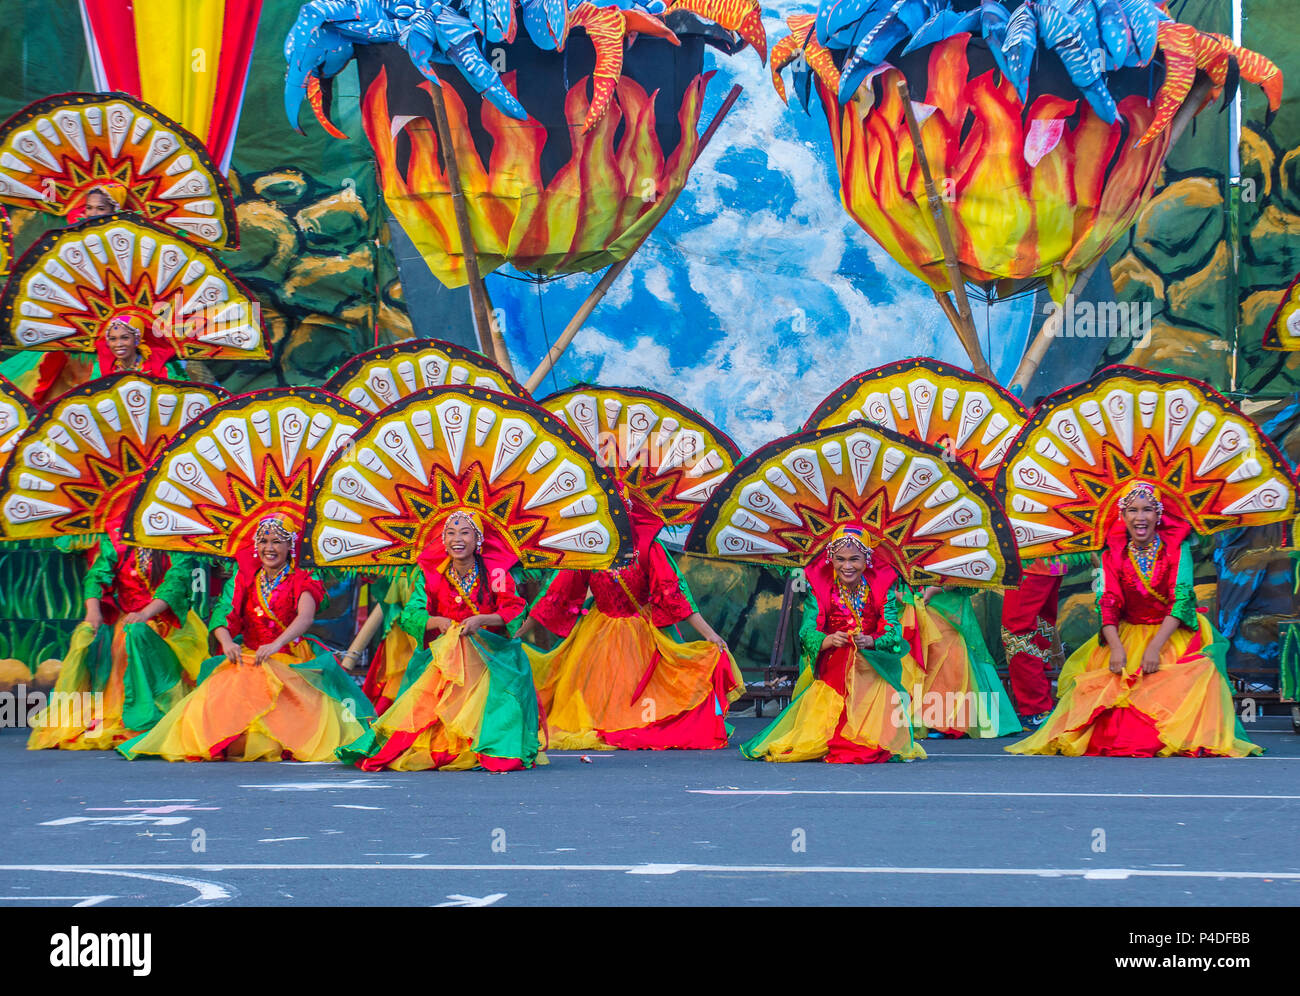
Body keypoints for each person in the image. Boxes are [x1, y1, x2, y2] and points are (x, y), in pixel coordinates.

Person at [1008, 483, 1261, 758]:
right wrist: (1116, 648)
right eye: (1132, 510)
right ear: (1122, 516)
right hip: (1126, 633)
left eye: (1147, 510)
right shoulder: (1113, 554)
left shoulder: (1176, 549)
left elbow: (1181, 600)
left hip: (1172, 633)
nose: (1140, 517)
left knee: (1196, 676)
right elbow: (1108, 603)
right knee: (1107, 697)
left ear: (1158, 514)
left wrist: (1154, 648)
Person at [119, 516, 373, 761]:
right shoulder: (245, 578)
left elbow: (305, 618)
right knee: (225, 693)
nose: (269, 548)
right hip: (249, 654)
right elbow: (222, 614)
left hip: (288, 655)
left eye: (276, 541)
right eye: (263, 541)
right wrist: (227, 642)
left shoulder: (302, 578)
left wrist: (276, 644)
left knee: (267, 689)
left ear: (290, 546)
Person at [518, 501, 743, 751]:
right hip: (596, 639)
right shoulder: (588, 549)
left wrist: (709, 634)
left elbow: (674, 595)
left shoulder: (648, 548)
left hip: (642, 636)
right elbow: (556, 596)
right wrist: (518, 634)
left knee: (647, 699)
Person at [339, 510, 543, 771]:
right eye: (451, 533)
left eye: (465, 532)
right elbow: (412, 614)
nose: (457, 539)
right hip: (445, 658)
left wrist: (482, 620)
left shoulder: (495, 573)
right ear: (443, 541)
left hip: (488, 656)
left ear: (478, 539)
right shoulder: (432, 575)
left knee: (502, 743)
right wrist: (437, 622)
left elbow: (513, 609)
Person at [741, 526, 925, 763]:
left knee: (875, 740)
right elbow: (807, 632)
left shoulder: (881, 586)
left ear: (867, 560)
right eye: (840, 559)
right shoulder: (821, 587)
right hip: (834, 670)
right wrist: (828, 639)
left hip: (872, 669)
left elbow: (893, 631)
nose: (847, 566)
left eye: (854, 559)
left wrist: (871, 640)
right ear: (831, 559)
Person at [27, 519, 207, 750]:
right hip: (128, 621)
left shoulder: (174, 535)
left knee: (137, 633)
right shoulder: (116, 535)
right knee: (112, 635)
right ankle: (123, 714)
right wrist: (93, 612)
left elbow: (175, 582)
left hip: (169, 624)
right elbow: (97, 575)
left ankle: (156, 716)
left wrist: (145, 614)